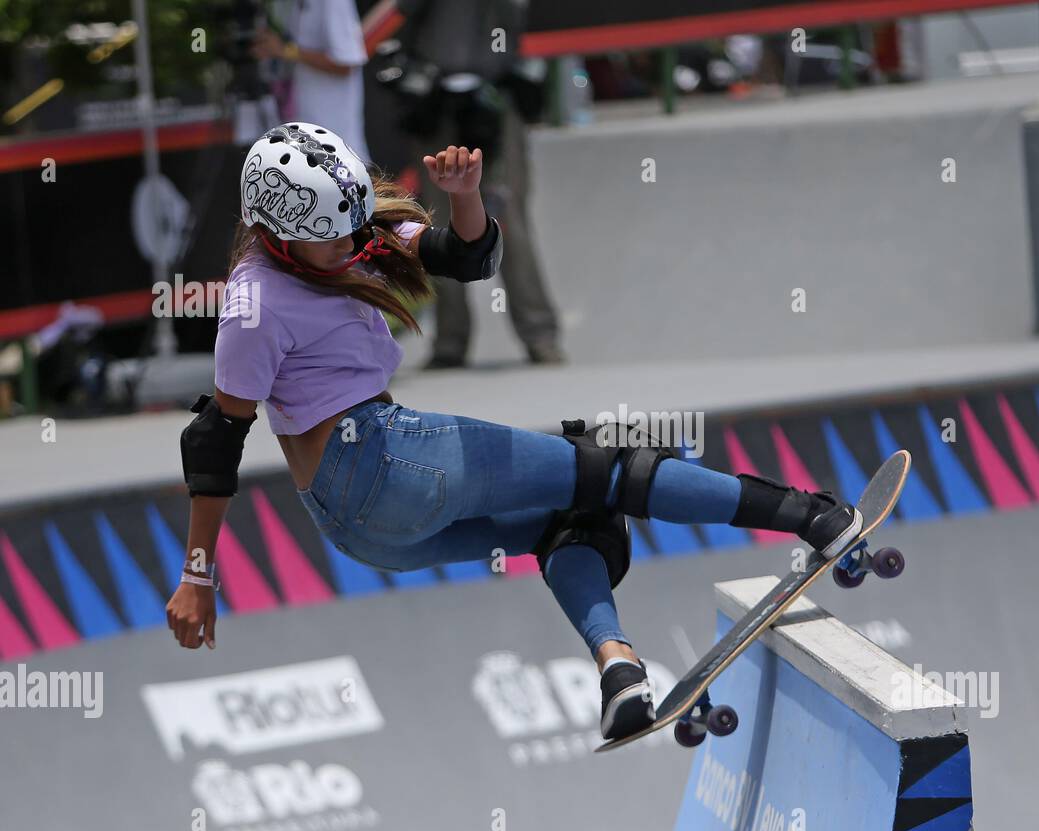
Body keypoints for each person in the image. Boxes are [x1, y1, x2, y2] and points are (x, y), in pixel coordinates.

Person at [167, 123, 863, 739]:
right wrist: (199, 574)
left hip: (364, 533)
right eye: (331, 238)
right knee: (607, 468)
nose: (351, 245)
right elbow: (216, 440)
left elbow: (466, 259)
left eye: (353, 227)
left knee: (567, 523)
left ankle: (619, 670)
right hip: (384, 458)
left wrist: (464, 196)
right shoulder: (253, 305)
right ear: (277, 235)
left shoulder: (343, 230)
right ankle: (813, 517)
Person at [390, 0, 565, 367]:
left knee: (508, 218)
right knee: (439, 223)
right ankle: (450, 342)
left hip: (496, 100)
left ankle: (539, 335)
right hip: (438, 100)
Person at [254, 0, 372, 161]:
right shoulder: (293, 5)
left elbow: (346, 63)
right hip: (306, 148)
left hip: (338, 154)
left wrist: (285, 51)